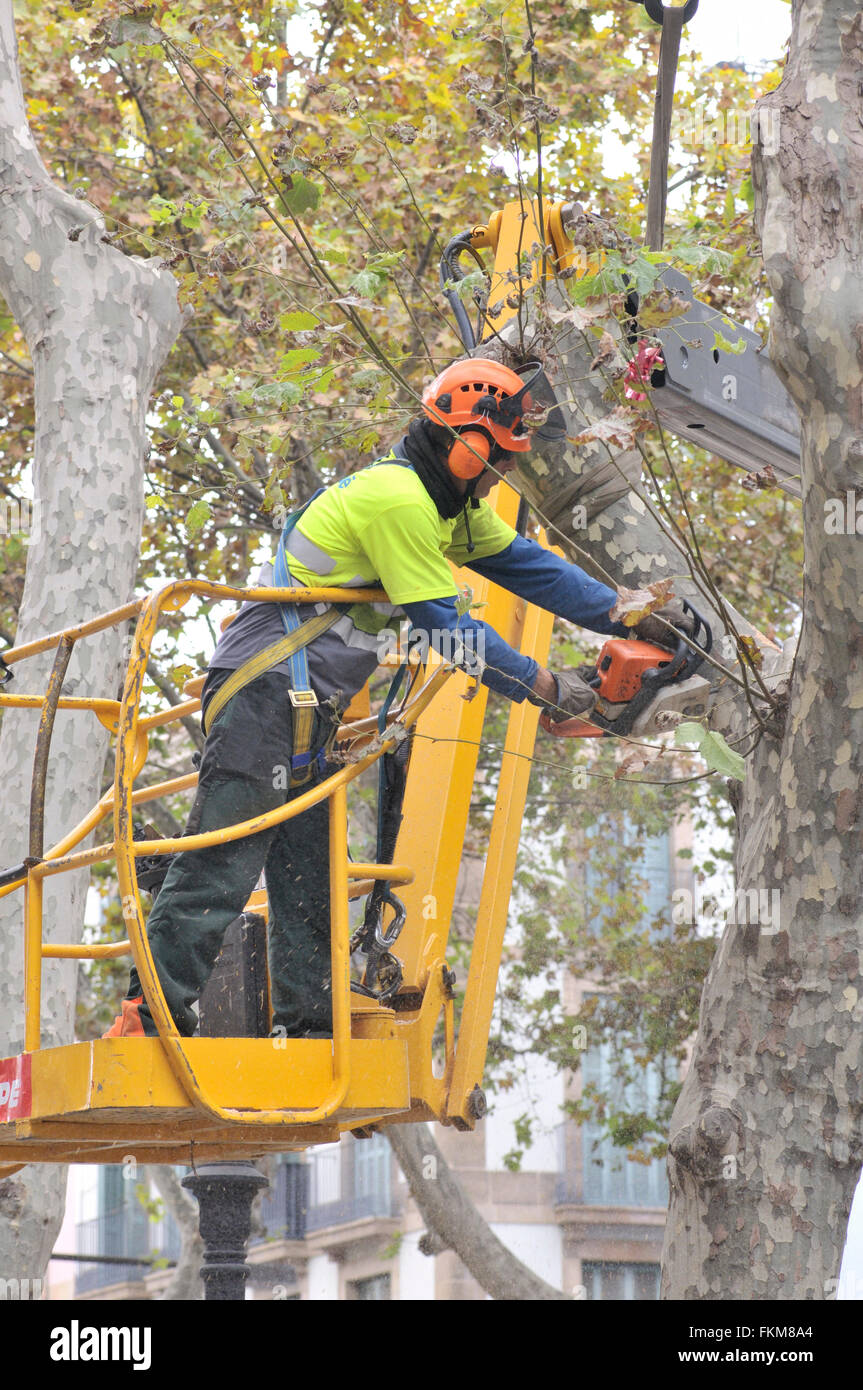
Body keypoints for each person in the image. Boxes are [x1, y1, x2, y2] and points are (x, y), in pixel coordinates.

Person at [104, 357, 690, 1039]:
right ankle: (144, 1020)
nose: (500, 471)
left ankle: (309, 1035)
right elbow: (449, 628)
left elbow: (537, 572)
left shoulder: (448, 510)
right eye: (497, 456)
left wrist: (631, 614)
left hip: (306, 712)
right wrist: (548, 689)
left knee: (310, 883)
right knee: (221, 861)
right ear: (464, 441)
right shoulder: (400, 500)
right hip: (264, 694)